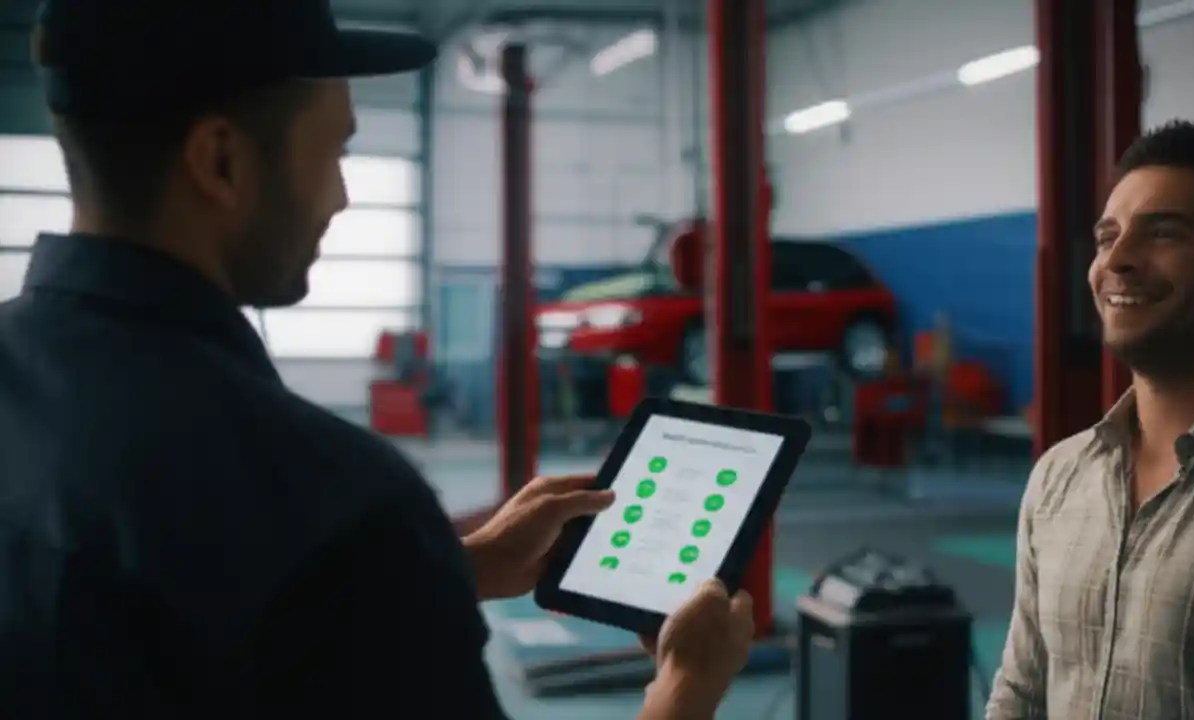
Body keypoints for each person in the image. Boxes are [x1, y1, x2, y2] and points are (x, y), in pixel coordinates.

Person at [0, 1, 754, 718]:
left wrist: (457, 568)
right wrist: (684, 688)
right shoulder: (332, 504)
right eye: (335, 152)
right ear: (221, 162)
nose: (340, 197)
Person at [987, 120, 1194, 718]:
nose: (1117, 260)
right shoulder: (1058, 476)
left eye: (1163, 233)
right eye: (1107, 237)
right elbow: (1022, 690)